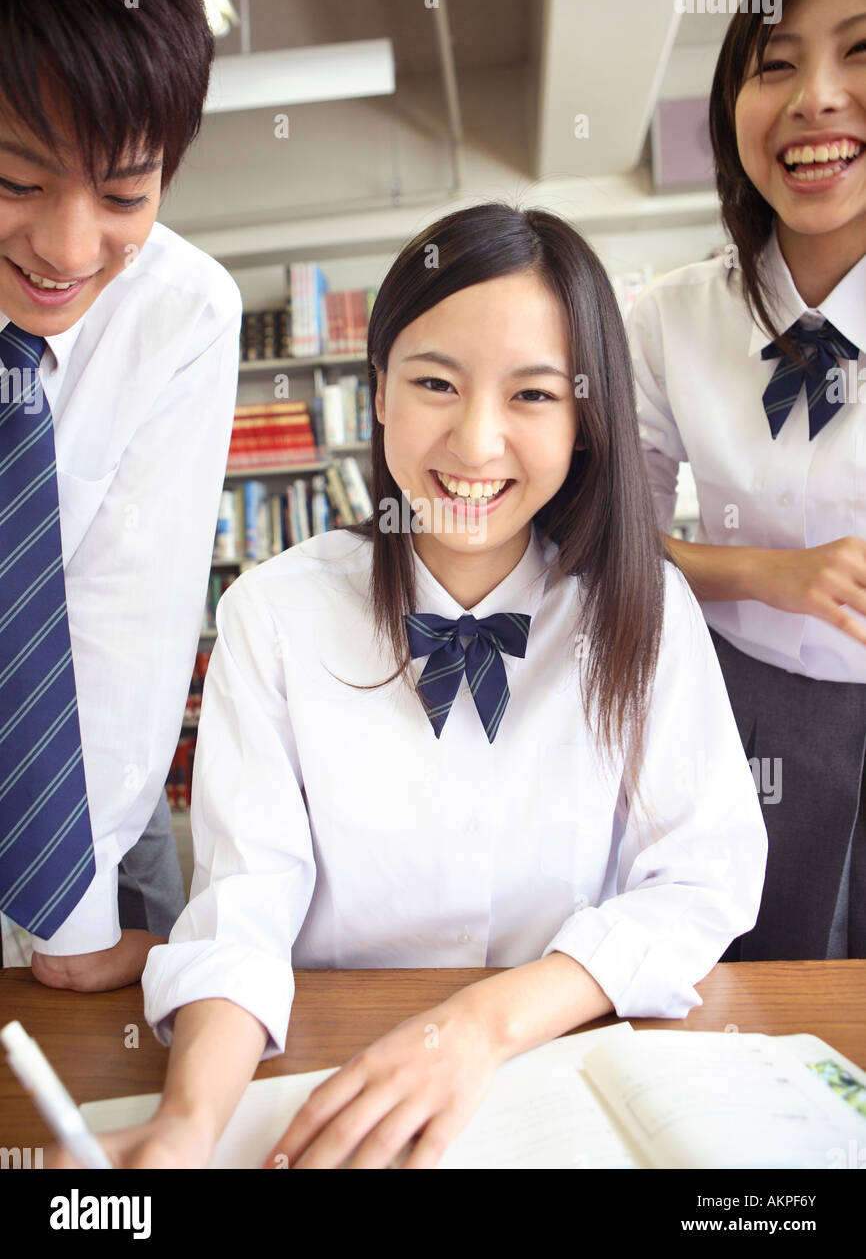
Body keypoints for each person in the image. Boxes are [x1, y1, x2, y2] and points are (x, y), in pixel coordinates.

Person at [61, 201, 766, 1172]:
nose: (475, 445)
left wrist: (477, 1025)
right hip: (333, 1072)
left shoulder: (644, 610)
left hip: (559, 1075)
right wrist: (187, 1123)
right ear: (379, 390)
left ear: (584, 416)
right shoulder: (273, 614)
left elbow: (701, 881)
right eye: (436, 381)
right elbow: (243, 907)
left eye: (530, 396)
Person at [0, 0, 241, 989]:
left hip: (90, 795)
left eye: (126, 192)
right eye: (13, 178)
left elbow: (122, 629)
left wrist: (73, 925)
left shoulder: (183, 313)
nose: (67, 246)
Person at [627, 0, 866, 961]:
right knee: (754, 1001)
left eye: (859, 52)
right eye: (774, 65)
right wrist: (766, 574)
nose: (812, 95)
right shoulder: (666, 318)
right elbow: (601, 549)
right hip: (744, 711)